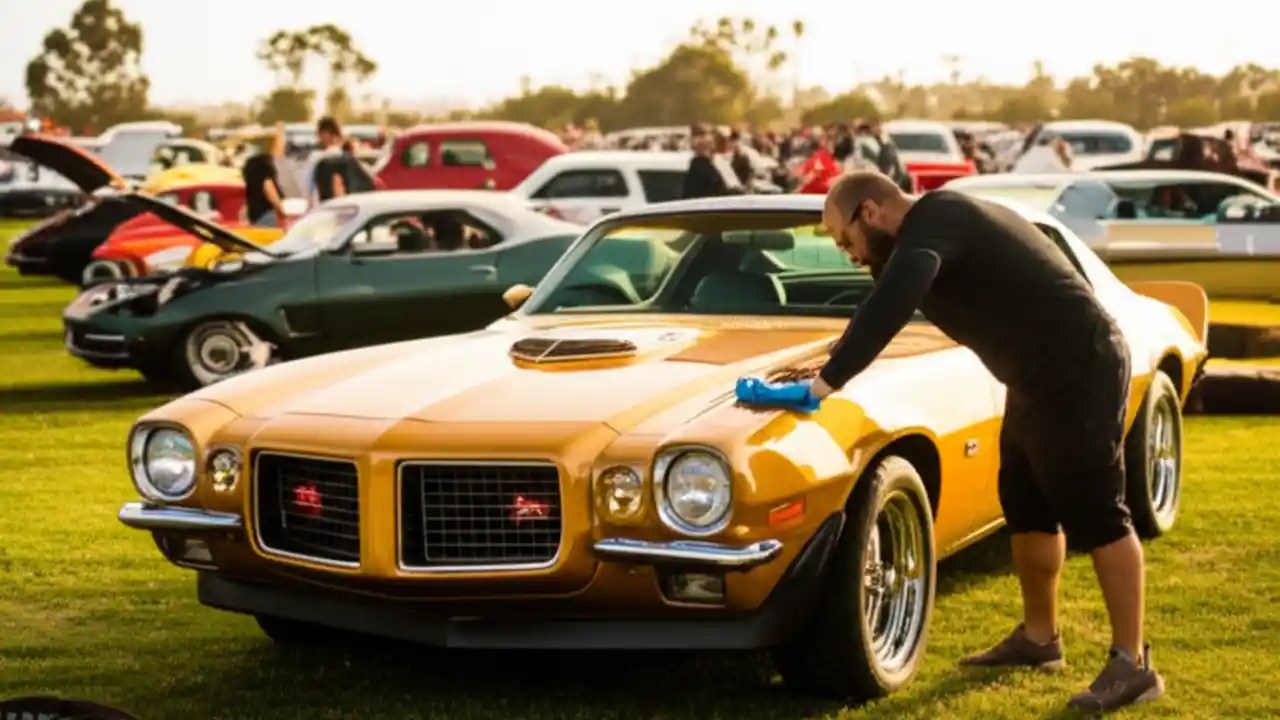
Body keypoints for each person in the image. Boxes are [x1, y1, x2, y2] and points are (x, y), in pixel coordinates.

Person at [808, 171, 1162, 714]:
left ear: (870, 213)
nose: (847, 253)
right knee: (1025, 501)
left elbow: (892, 306)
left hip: (1081, 363)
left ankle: (1133, 664)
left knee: (1096, 509)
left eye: (843, 238)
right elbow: (873, 313)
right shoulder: (915, 240)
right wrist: (820, 364)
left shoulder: (938, 220)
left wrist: (825, 384)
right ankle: (1040, 639)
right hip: (1032, 376)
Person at [241, 128, 288, 227]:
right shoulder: (266, 163)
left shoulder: (251, 163)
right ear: (272, 145)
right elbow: (268, 186)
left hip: (256, 215)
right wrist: (280, 211)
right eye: (281, 144)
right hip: (269, 214)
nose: (283, 148)